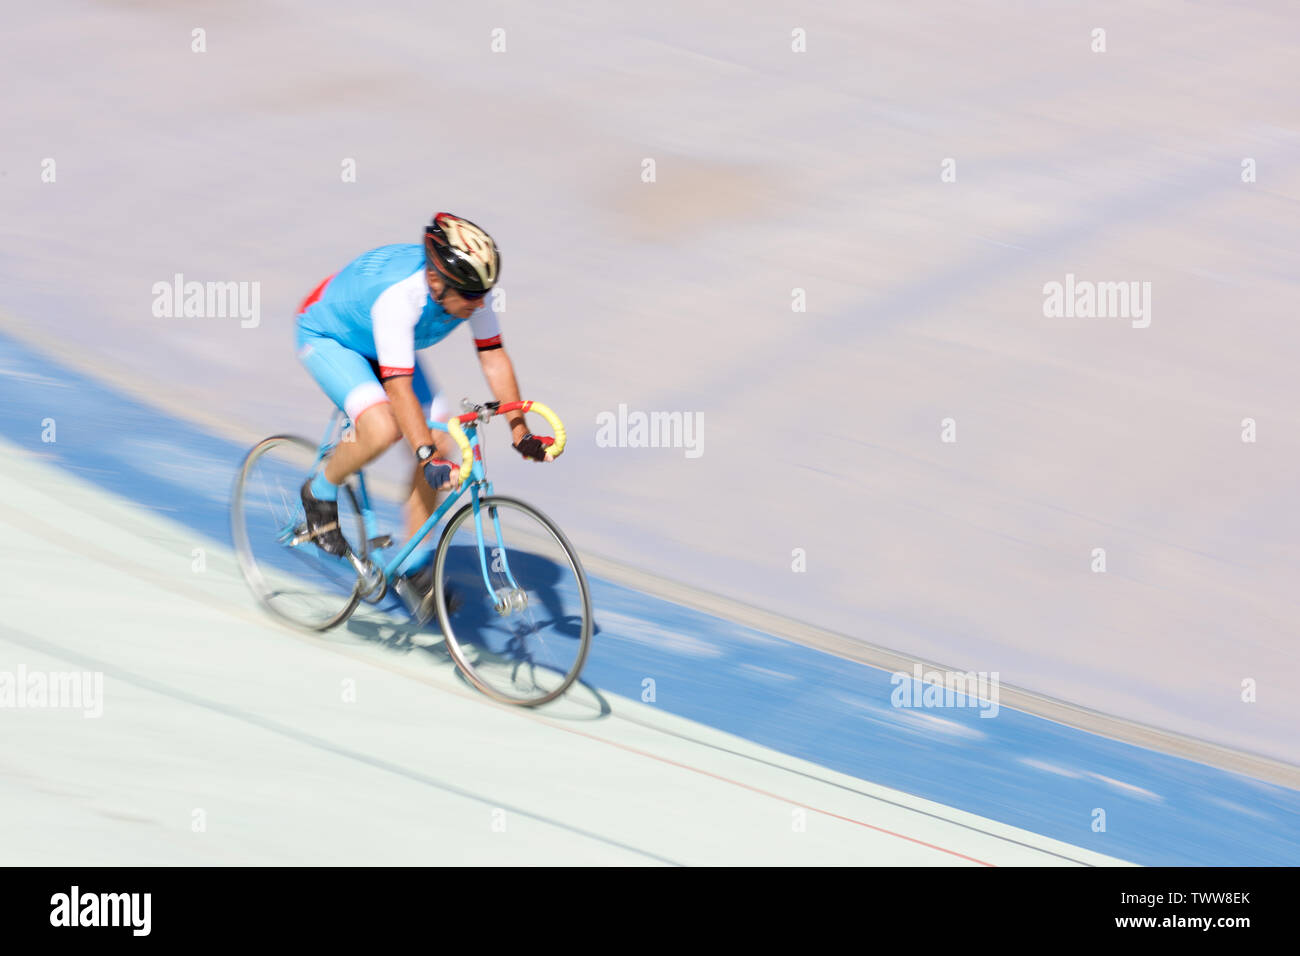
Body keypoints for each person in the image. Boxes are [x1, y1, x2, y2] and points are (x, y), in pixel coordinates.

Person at [293, 212, 553, 616]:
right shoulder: (400, 298)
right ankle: (319, 492)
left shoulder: (468, 286)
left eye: (484, 294)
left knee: (444, 444)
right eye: (471, 297)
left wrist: (519, 430)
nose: (480, 304)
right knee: (382, 430)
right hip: (330, 338)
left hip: (382, 345)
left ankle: (412, 565)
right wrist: (423, 455)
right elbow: (397, 387)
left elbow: (493, 355)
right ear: (436, 282)